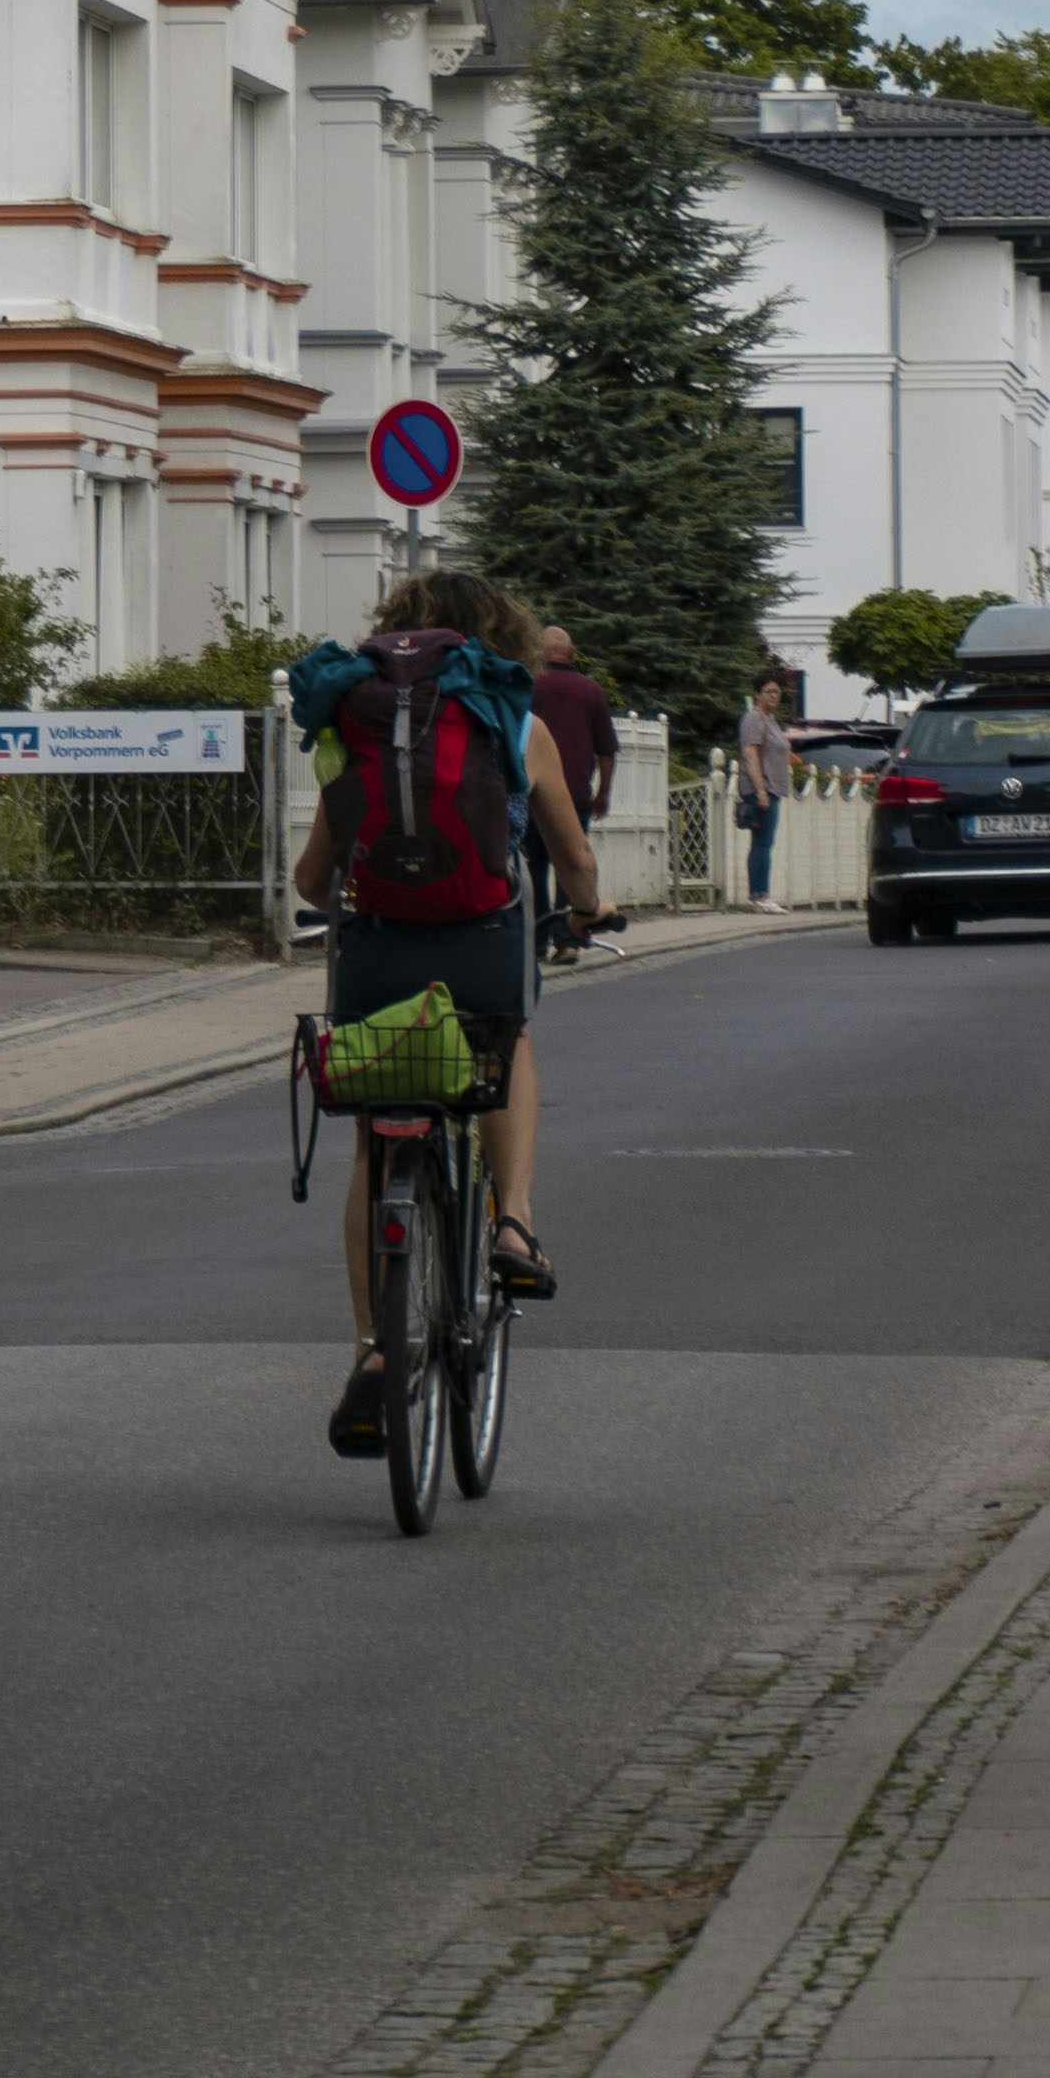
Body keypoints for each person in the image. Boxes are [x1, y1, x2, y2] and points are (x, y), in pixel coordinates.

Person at [290, 565, 606, 1455]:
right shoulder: (516, 718)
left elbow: (314, 880)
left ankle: (374, 1354)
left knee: (372, 1138)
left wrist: (342, 885)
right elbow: (573, 859)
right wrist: (586, 910)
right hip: (482, 935)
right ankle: (514, 1224)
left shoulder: (353, 720)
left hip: (376, 949)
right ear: (493, 636)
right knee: (508, 1046)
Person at [528, 619, 618, 824]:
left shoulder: (528, 685)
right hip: (576, 794)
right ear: (571, 652)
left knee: (536, 856)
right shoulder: (592, 691)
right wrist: (603, 793)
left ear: (540, 651)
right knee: (572, 855)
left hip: (534, 792)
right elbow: (606, 751)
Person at [736, 667, 797, 905]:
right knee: (762, 843)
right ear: (758, 694)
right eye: (769, 691)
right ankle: (760, 895)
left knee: (765, 842)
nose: (774, 696)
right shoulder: (754, 718)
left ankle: (761, 894)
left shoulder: (770, 719)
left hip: (773, 789)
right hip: (762, 790)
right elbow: (750, 753)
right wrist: (760, 790)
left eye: (777, 691)